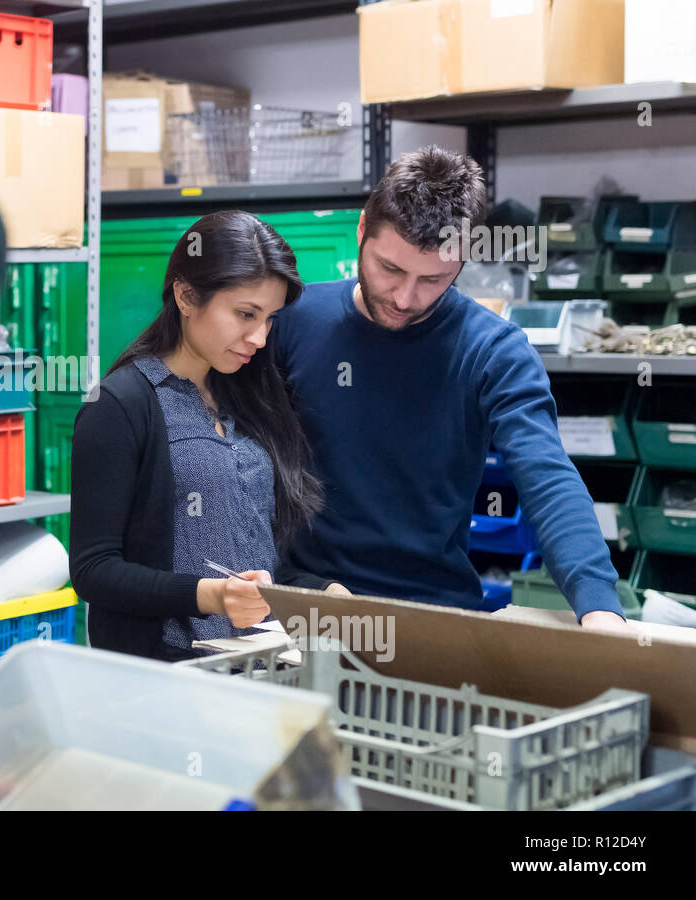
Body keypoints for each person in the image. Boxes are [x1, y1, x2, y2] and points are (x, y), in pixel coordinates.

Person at [268, 145, 629, 632]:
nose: (404, 297)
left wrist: (599, 608)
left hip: (434, 613)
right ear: (361, 231)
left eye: (433, 278)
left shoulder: (495, 350)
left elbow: (548, 478)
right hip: (304, 603)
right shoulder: (291, 322)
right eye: (390, 269)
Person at [69, 211, 327, 661]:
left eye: (270, 319)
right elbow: (95, 571)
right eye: (246, 314)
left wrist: (318, 592)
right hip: (164, 673)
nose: (260, 338)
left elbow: (258, 562)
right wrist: (209, 595)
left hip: (259, 663)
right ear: (186, 295)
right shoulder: (118, 405)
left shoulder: (250, 395)